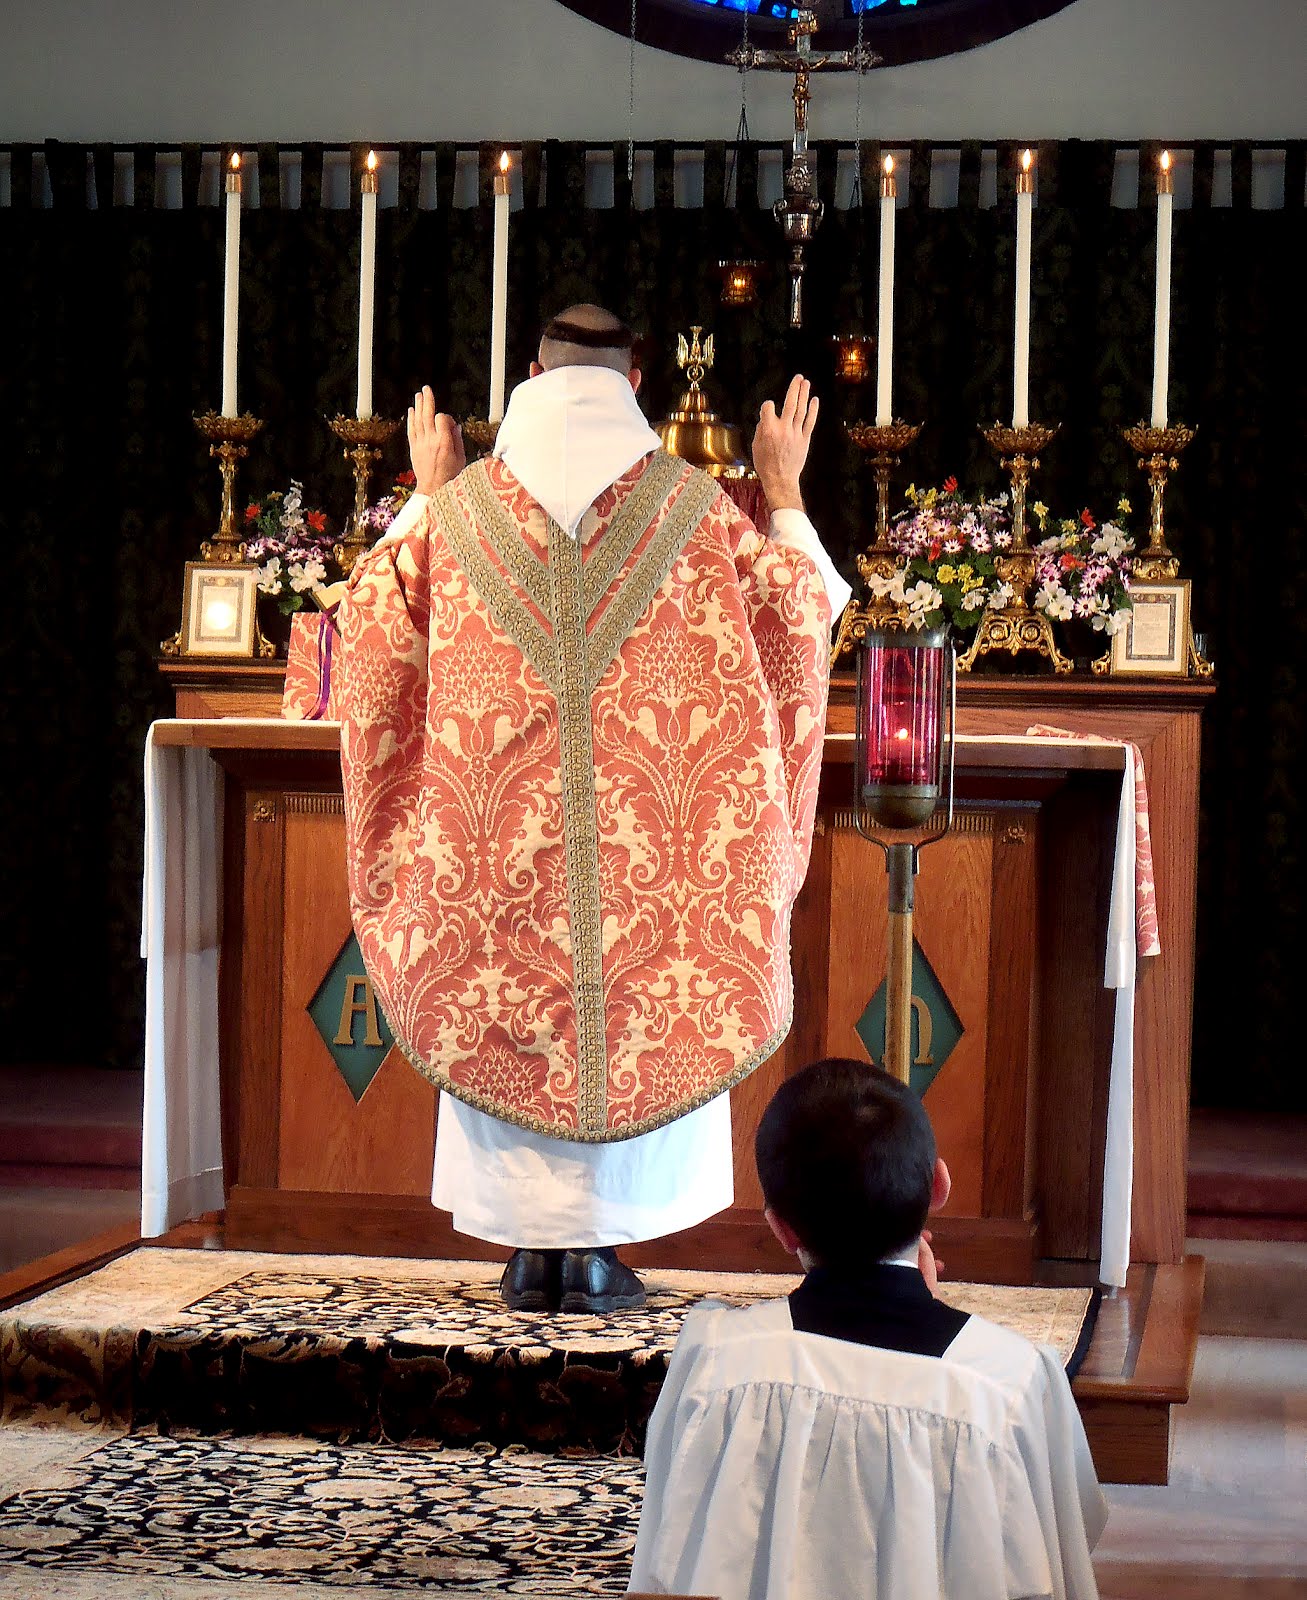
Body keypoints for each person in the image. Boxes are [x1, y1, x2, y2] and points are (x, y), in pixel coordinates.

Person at [337, 305, 850, 1314]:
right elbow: (800, 615)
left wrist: (425, 493)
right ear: (638, 375)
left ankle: (534, 1251)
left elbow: (361, 630)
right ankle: (600, 1246)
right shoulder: (700, 511)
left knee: (499, 989)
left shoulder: (456, 515)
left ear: (531, 368)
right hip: (649, 893)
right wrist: (783, 491)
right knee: (640, 994)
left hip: (491, 883)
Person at [629, 1058, 1108, 1600]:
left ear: (780, 1227)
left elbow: (668, 1547)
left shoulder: (717, 1364)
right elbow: (1069, 1535)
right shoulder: (1011, 1383)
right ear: (938, 1186)